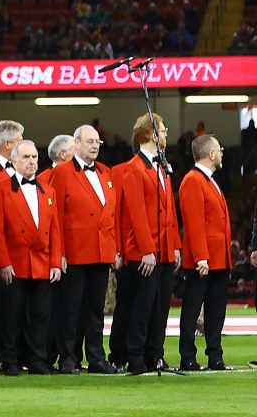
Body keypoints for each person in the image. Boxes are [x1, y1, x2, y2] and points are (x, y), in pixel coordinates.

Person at [47, 123, 120, 374]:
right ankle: (68, 357)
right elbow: (54, 217)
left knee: (95, 310)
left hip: (100, 250)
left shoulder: (106, 173)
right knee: (70, 309)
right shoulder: (63, 173)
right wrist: (59, 254)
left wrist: (114, 248)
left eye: (97, 142)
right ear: (76, 144)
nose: (94, 146)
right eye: (89, 141)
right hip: (75, 251)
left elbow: (112, 214)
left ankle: (96, 358)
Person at [110, 113, 177, 376]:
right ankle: (135, 355)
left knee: (160, 306)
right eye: (163, 129)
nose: (167, 133)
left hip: (163, 248)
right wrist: (147, 250)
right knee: (141, 306)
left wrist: (175, 246)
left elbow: (169, 211)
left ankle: (154, 353)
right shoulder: (134, 169)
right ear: (151, 135)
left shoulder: (162, 168)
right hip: (144, 250)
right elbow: (136, 214)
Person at [0, 139, 58, 375]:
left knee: (41, 315)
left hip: (42, 263)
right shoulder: (0, 189)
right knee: (12, 315)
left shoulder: (48, 191)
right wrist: (3, 262)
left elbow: (55, 230)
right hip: (15, 261)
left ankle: (38, 359)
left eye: (34, 157)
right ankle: (9, 359)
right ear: (14, 161)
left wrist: (55, 262)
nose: (32, 161)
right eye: (26, 157)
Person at [175, 134, 230, 373]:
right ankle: (188, 356)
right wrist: (201, 257)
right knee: (192, 309)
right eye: (219, 149)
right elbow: (194, 222)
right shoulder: (193, 180)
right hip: (204, 260)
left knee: (216, 311)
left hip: (218, 258)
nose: (221, 153)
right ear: (210, 154)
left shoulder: (208, 180)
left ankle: (215, 356)